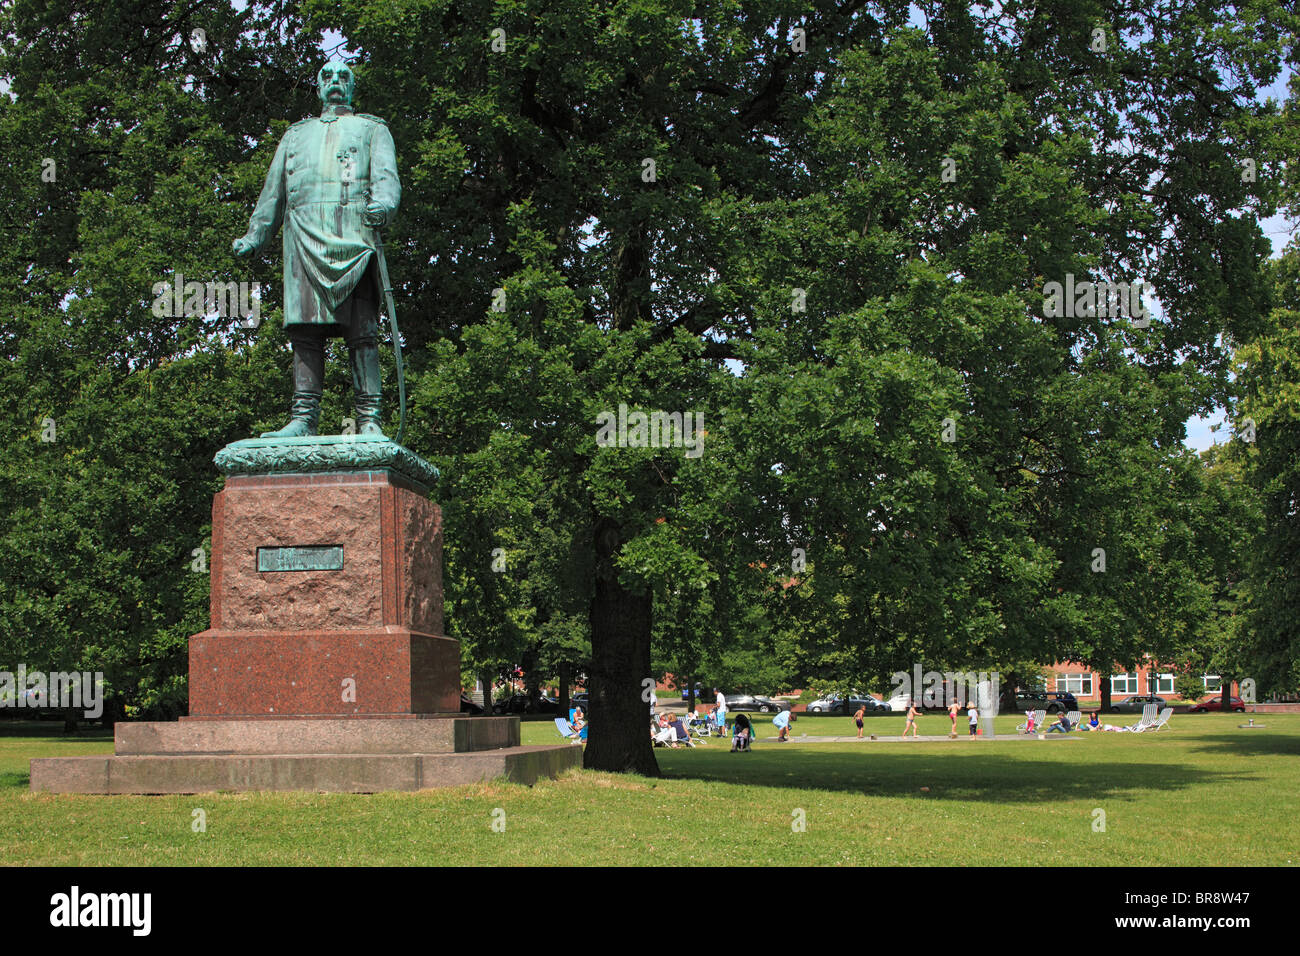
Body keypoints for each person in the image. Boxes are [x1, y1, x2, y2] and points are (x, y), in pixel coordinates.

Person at [233, 62, 401, 438]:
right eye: (328, 77)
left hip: (355, 240)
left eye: (343, 78)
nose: (335, 83)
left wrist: (384, 207)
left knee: (363, 334)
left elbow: (387, 182)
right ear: (319, 87)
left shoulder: (372, 130)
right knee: (306, 334)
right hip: (303, 239)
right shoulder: (295, 136)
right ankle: (303, 418)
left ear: (352, 87)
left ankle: (369, 418)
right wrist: (254, 235)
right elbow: (272, 194)